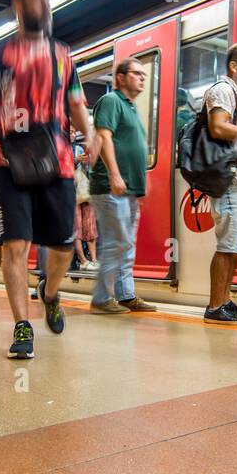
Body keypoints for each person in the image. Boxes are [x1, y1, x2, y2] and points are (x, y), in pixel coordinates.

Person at [0, 0, 100, 359]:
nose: (40, 3)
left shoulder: (63, 55)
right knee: (14, 245)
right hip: (5, 162)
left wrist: (89, 135)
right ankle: (22, 326)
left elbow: (75, 104)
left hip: (57, 161)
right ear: (17, 4)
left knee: (62, 244)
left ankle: (50, 291)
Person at [86, 57, 156, 316]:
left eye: (143, 75)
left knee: (126, 244)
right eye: (136, 73)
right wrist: (115, 175)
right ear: (120, 77)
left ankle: (125, 294)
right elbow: (104, 137)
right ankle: (101, 298)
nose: (142, 78)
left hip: (128, 190)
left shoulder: (131, 108)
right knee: (117, 242)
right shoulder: (112, 101)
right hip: (109, 187)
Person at [203, 43, 237, 324]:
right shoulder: (222, 90)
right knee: (227, 244)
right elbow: (218, 127)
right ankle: (214, 306)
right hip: (229, 178)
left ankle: (223, 299)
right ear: (235, 66)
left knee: (235, 244)